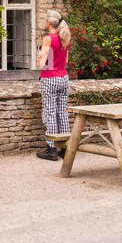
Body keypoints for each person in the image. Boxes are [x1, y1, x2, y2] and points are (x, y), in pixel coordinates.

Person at [36, 10, 72, 162]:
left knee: (50, 113)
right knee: (62, 112)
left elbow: (42, 63)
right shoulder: (65, 37)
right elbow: (65, 61)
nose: (44, 21)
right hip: (63, 77)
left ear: (49, 23)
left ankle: (51, 149)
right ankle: (65, 148)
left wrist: (39, 53)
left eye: (45, 19)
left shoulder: (48, 38)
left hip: (50, 78)